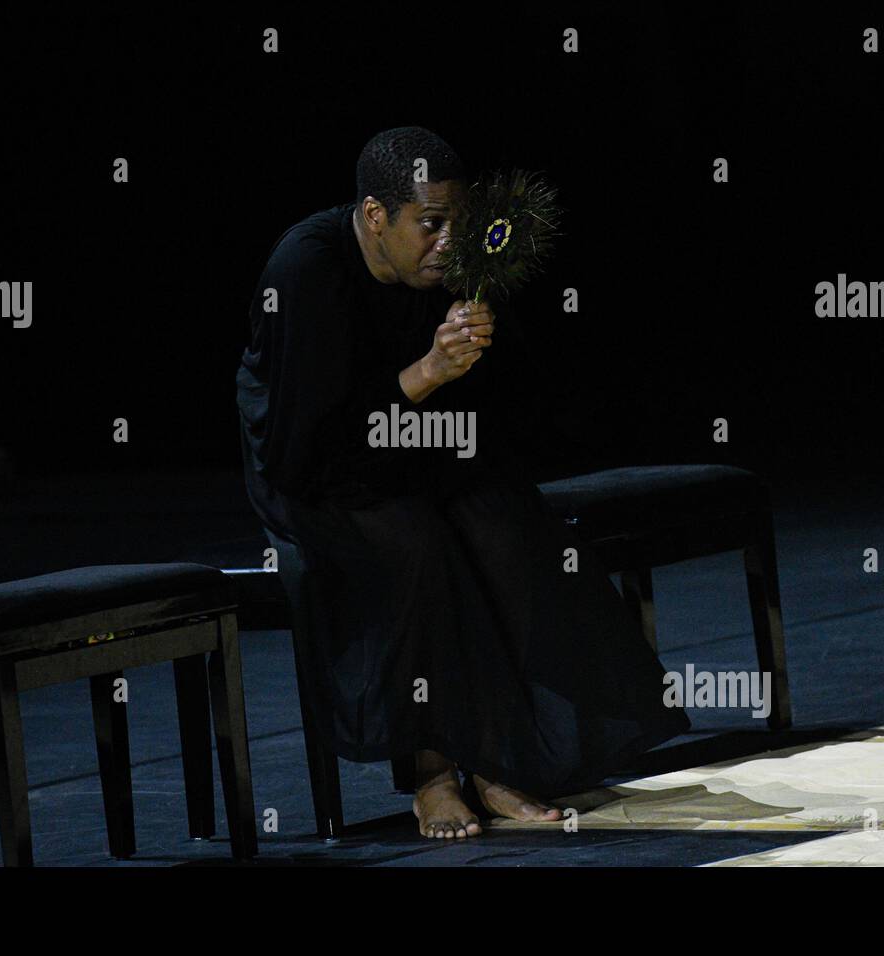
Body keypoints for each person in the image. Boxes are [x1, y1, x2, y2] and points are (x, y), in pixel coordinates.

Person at [236, 126, 689, 839]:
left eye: (459, 222)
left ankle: (499, 759)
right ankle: (433, 772)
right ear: (377, 217)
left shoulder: (448, 270)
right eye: (431, 224)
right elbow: (307, 448)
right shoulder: (306, 269)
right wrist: (426, 375)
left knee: (508, 529)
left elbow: (507, 411)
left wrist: (476, 351)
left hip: (419, 452)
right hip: (314, 470)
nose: (449, 241)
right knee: (414, 546)